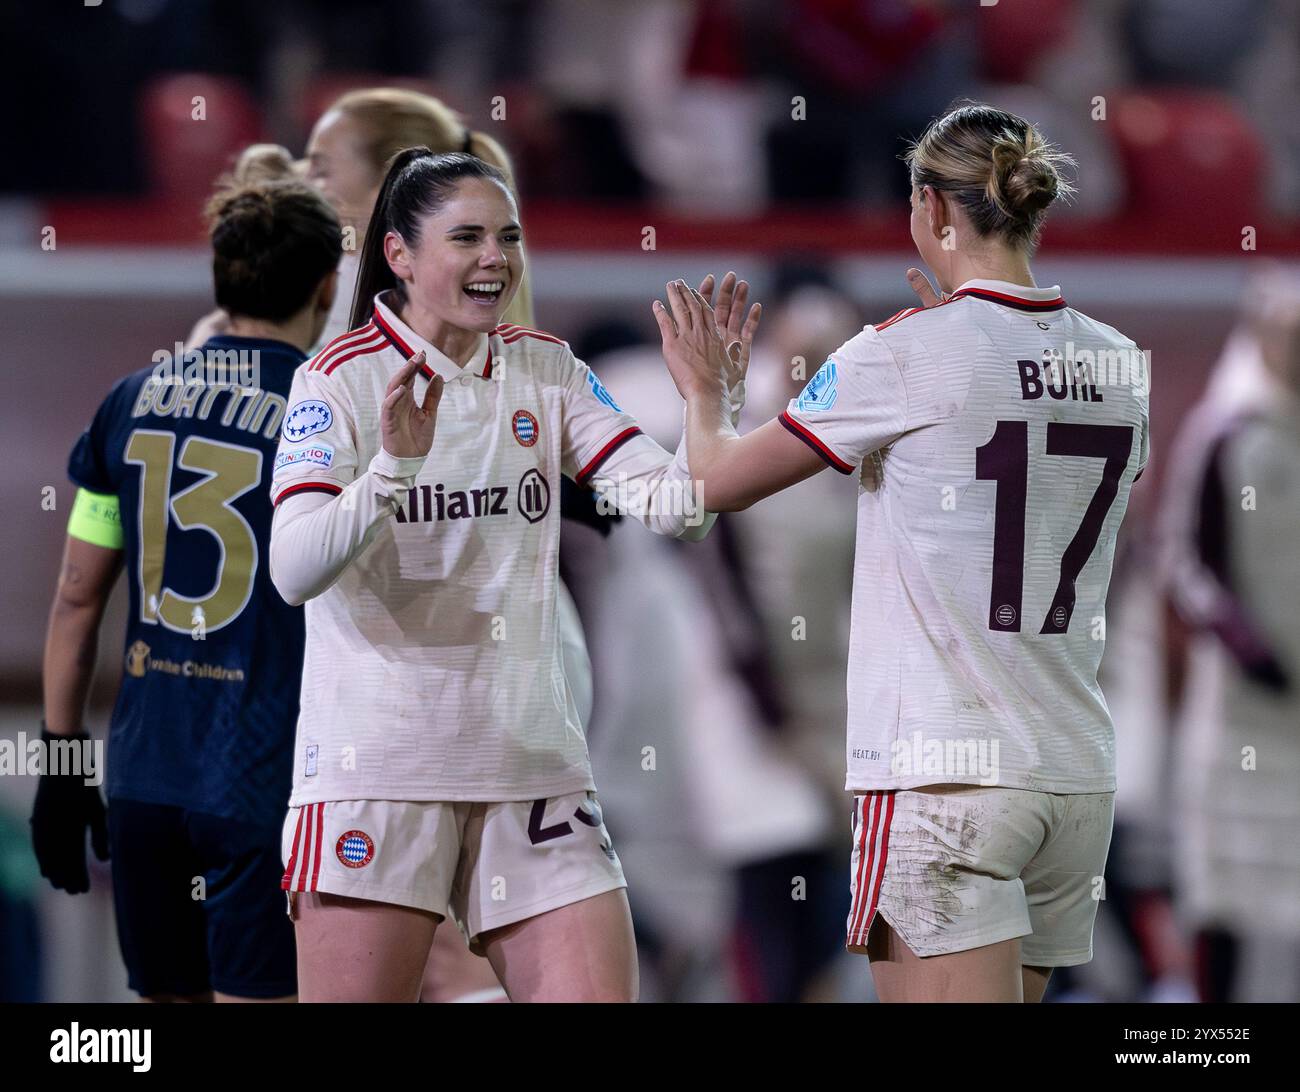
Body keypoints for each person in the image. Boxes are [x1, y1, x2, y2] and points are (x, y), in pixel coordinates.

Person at [654, 103, 1150, 1002]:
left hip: (944, 779)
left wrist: (706, 396)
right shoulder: (1122, 366)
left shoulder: (902, 355)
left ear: (930, 210)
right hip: (1073, 775)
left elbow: (711, 483)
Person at [268, 149, 748, 1002]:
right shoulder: (334, 381)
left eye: (508, 237)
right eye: (468, 237)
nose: (496, 256)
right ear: (400, 256)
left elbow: (680, 508)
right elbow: (294, 570)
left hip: (534, 772)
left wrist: (710, 405)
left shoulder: (547, 370)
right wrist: (391, 471)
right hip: (381, 774)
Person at [34, 179, 342, 1001]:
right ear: (326, 285)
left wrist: (63, 769)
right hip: (267, 785)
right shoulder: (330, 412)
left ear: (221, 277)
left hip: (145, 780)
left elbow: (75, 600)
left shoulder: (127, 404)